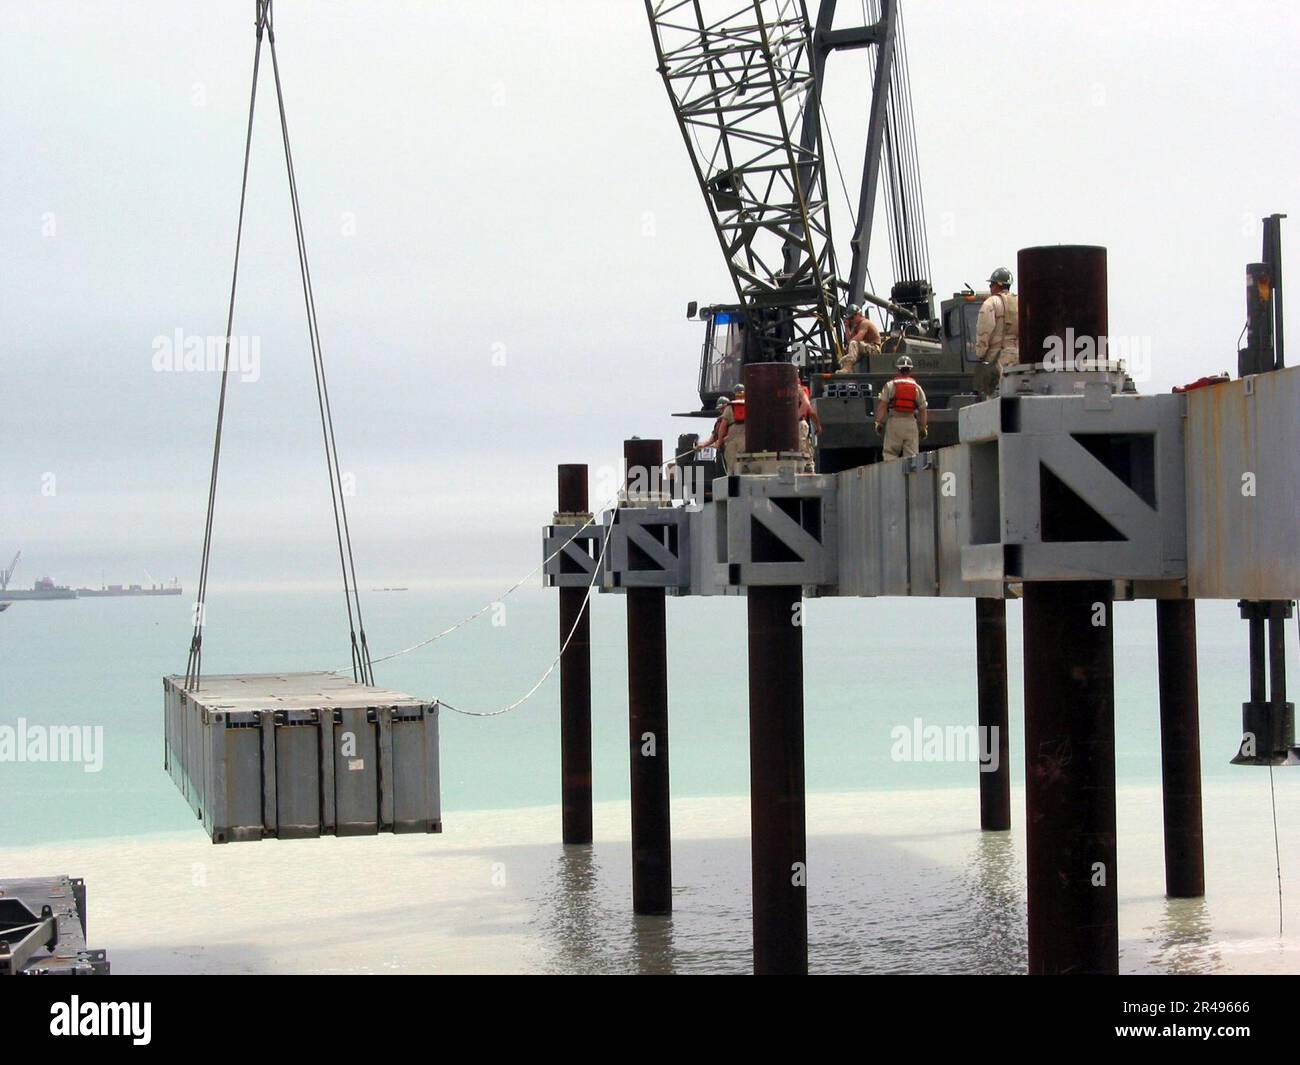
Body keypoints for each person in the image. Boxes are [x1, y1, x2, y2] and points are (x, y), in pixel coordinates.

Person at [873, 354, 928, 462]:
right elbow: (923, 409)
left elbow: (883, 405)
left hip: (894, 423)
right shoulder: (917, 387)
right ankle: (911, 478)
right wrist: (923, 427)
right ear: (910, 370)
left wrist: (878, 422)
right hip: (910, 424)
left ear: (898, 369)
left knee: (890, 453)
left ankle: (892, 477)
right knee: (912, 457)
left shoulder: (890, 385)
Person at [975, 267, 1019, 396]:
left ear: (997, 285)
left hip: (997, 358)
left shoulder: (990, 303)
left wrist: (981, 354)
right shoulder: (1020, 302)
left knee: (993, 398)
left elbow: (984, 332)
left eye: (991, 284)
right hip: (1018, 357)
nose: (990, 287)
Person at [713, 384, 746, 473]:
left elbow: (722, 427)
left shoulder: (730, 407)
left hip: (732, 440)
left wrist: (720, 442)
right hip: (746, 441)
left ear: (735, 394)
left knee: (731, 469)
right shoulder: (751, 406)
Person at [839, 304, 881, 372]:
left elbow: (858, 338)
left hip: (874, 349)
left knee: (853, 344)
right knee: (843, 360)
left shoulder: (864, 323)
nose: (851, 320)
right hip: (864, 348)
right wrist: (846, 326)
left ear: (858, 314)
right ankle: (850, 373)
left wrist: (849, 346)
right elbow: (849, 339)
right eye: (849, 319)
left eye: (852, 318)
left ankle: (848, 368)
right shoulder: (856, 325)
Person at [796, 379, 822, 472]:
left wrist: (795, 419)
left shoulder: (798, 391)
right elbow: (811, 412)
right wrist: (818, 425)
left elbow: (808, 408)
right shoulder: (800, 391)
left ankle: (806, 468)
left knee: (801, 450)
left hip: (798, 425)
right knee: (803, 451)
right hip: (798, 425)